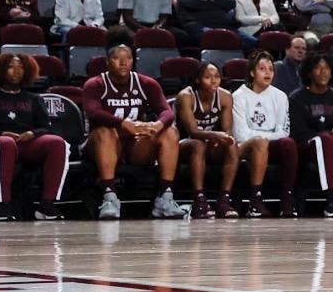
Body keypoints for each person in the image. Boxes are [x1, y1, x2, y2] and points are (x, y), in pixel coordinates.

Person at [82, 37, 188, 220]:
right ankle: (109, 198)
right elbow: (93, 113)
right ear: (107, 62)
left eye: (128, 58)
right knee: (105, 131)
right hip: (101, 144)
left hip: (134, 146)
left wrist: (157, 125)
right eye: (117, 58)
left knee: (170, 132)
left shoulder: (146, 83)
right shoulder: (96, 84)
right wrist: (123, 124)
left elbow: (167, 112)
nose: (123, 62)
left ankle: (165, 198)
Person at [0, 52, 67, 220]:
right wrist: (0, 133)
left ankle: (47, 205)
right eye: (11, 67)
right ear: (0, 70)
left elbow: (46, 127)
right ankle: (4, 206)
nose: (16, 71)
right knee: (6, 143)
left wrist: (32, 133)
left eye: (21, 67)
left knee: (57, 142)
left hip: (28, 142)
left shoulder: (33, 99)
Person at [287, 51, 333, 218]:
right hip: (308, 147)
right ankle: (332, 200)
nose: (323, 72)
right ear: (309, 72)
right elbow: (299, 132)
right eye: (318, 68)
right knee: (323, 140)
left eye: (326, 68)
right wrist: (328, 134)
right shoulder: (297, 98)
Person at [230, 50, 294, 217]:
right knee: (259, 143)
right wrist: (263, 138)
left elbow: (284, 132)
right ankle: (255, 199)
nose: (267, 72)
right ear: (252, 72)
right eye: (262, 68)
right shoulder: (238, 96)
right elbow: (241, 134)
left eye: (271, 69)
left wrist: (264, 138)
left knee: (289, 144)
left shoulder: (280, 96)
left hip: (271, 145)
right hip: (246, 147)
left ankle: (287, 198)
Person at [176, 61, 241, 218]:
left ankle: (224, 199)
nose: (213, 81)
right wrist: (215, 136)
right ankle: (199, 199)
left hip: (210, 142)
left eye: (217, 77)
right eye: (207, 77)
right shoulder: (186, 96)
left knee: (232, 145)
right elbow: (192, 131)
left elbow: (227, 129)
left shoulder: (225, 97)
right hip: (183, 144)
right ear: (198, 79)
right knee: (198, 145)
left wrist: (224, 137)